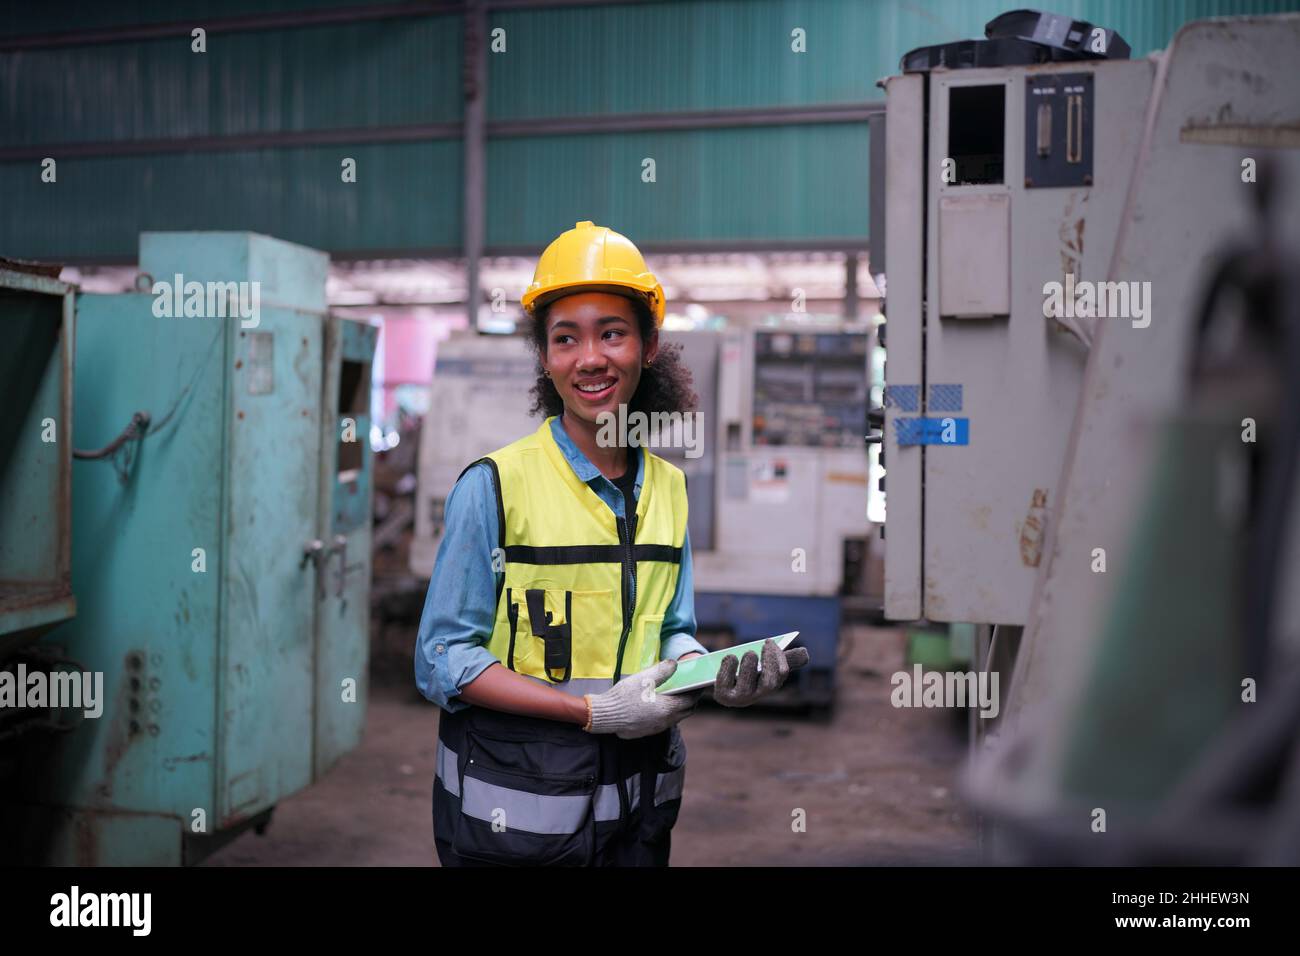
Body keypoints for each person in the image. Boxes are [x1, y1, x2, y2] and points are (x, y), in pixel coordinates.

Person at [415, 220, 809, 866]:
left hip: (637, 820)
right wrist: (590, 711)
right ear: (545, 357)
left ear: (649, 345)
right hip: (515, 828)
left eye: (612, 333)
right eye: (565, 338)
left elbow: (671, 627)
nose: (590, 358)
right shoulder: (493, 488)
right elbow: (441, 658)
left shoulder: (670, 490)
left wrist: (707, 675)